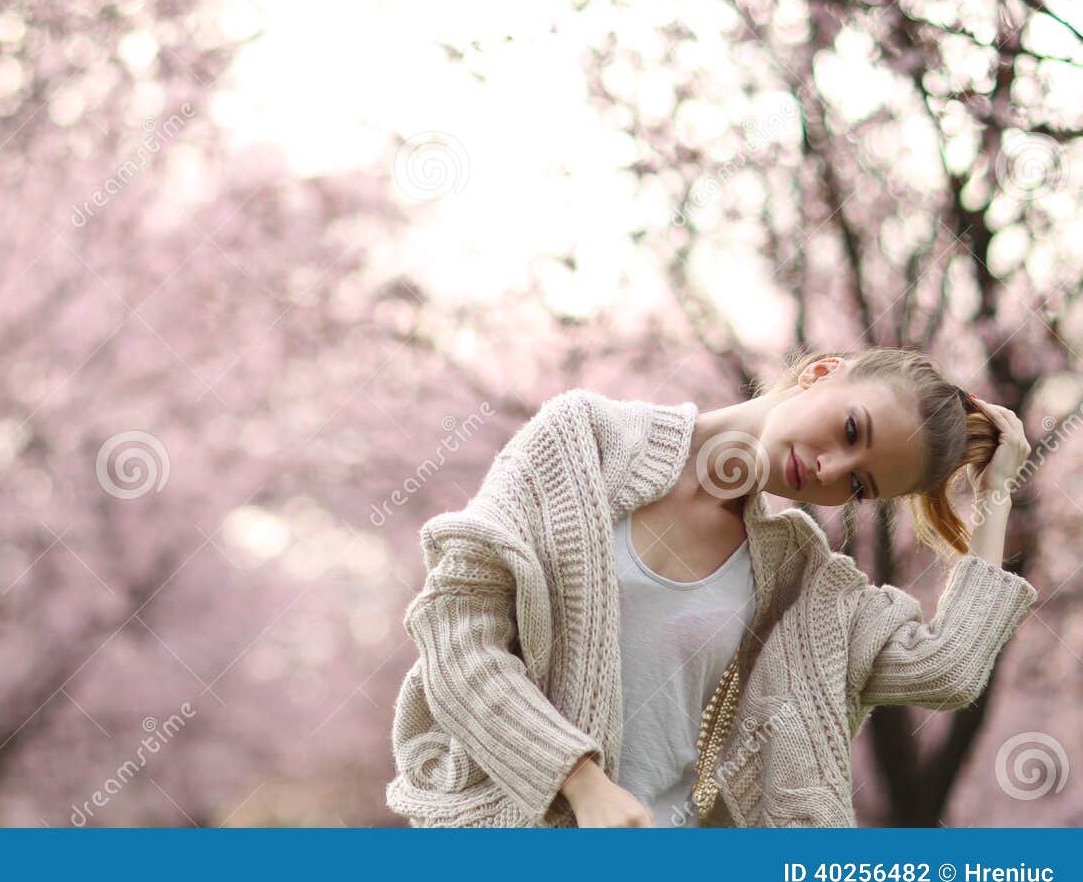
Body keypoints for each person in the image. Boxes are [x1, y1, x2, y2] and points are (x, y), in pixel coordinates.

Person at [384, 346, 1039, 827]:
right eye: (850, 430)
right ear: (820, 373)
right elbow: (455, 633)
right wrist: (581, 784)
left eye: (859, 484)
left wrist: (997, 495)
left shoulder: (798, 577)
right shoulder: (584, 442)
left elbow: (946, 670)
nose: (830, 469)